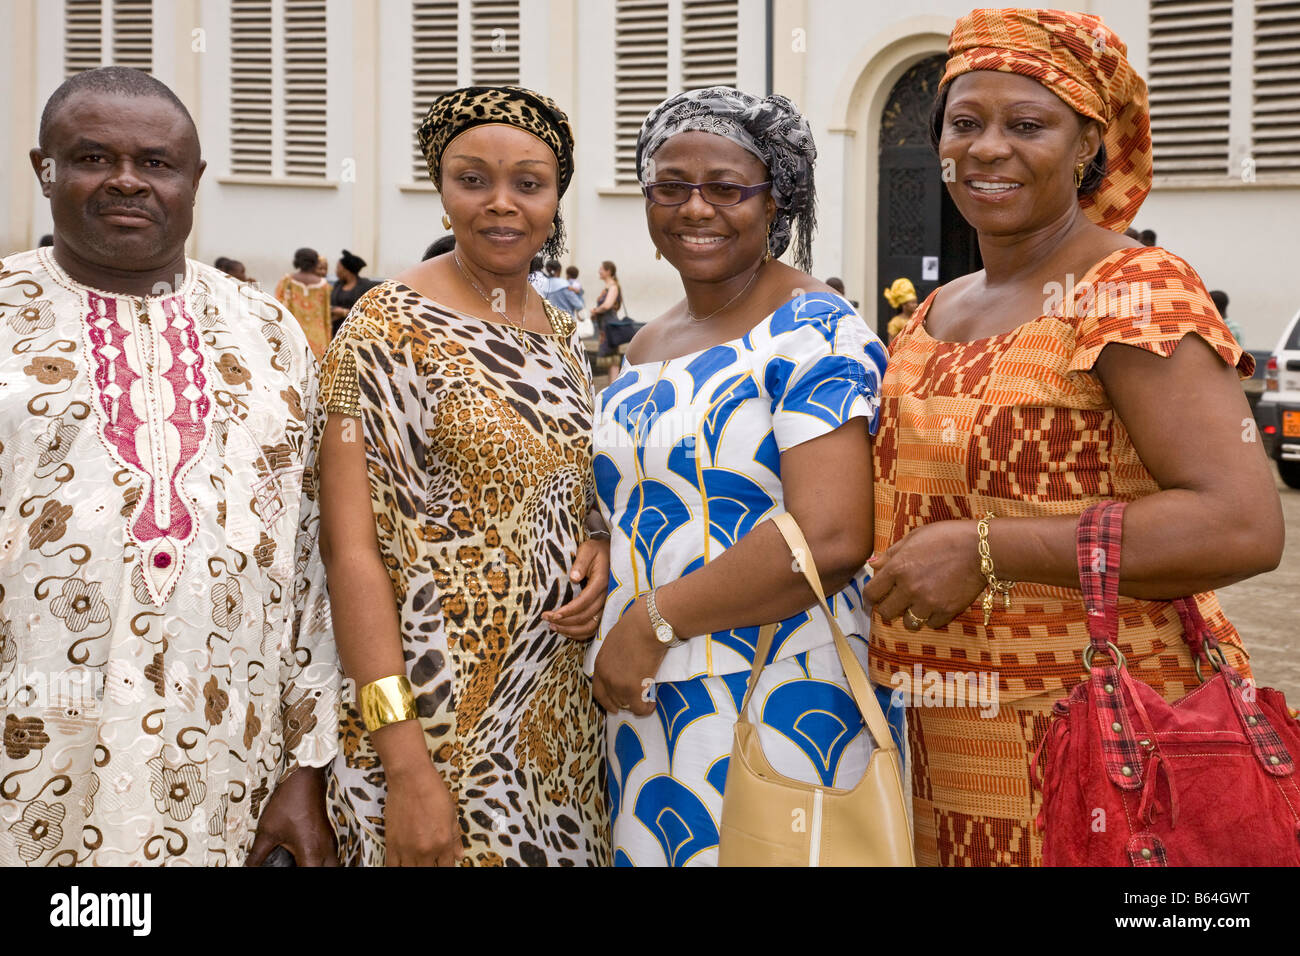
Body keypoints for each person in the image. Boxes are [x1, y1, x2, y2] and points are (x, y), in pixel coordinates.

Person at [865, 9, 1282, 867]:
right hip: (937, 750)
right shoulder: (937, 311)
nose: (986, 149)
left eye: (1027, 125)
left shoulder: (1130, 289)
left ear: (1088, 144)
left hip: (1095, 748)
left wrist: (985, 549)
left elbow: (1240, 523)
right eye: (964, 123)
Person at [1, 66, 338, 866]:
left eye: (155, 163)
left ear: (194, 179)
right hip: (30, 762)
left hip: (225, 767)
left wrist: (307, 768)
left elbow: (312, 560)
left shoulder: (270, 334)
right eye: (91, 157)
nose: (126, 180)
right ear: (43, 169)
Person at [588, 86, 896, 867]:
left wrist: (647, 624)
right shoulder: (647, 344)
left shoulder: (814, 328)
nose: (696, 208)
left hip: (774, 694)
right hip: (649, 702)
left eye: (727, 188)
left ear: (777, 202)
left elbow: (830, 537)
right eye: (670, 186)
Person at [318, 84, 611, 867]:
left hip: (556, 727)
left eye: (530, 182)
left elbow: (566, 487)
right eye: (472, 179)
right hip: (430, 724)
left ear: (557, 195)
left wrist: (597, 546)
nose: (501, 204)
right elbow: (351, 555)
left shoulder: (556, 328)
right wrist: (408, 768)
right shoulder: (385, 327)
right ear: (441, 189)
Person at [275, 248, 331, 359]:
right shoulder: (324, 285)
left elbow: (277, 307)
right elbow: (327, 317)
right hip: (318, 338)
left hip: (293, 335)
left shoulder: (287, 281)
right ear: (315, 263)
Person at [330, 248, 378, 337]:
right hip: (336, 332)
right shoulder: (337, 285)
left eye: (338, 268)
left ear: (346, 270)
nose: (336, 271)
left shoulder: (365, 286)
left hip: (356, 333)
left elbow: (369, 311)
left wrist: (344, 312)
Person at [590, 259, 624, 374]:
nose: (599, 271)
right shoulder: (609, 287)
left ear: (608, 271)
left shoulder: (613, 287)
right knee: (610, 360)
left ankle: (614, 386)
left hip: (610, 326)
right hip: (605, 327)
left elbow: (607, 305)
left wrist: (595, 311)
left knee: (612, 359)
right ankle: (612, 386)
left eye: (601, 269)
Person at [883, 276, 918, 341]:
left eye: (916, 302)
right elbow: (891, 345)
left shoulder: (918, 319)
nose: (915, 305)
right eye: (912, 303)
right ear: (904, 305)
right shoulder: (895, 322)